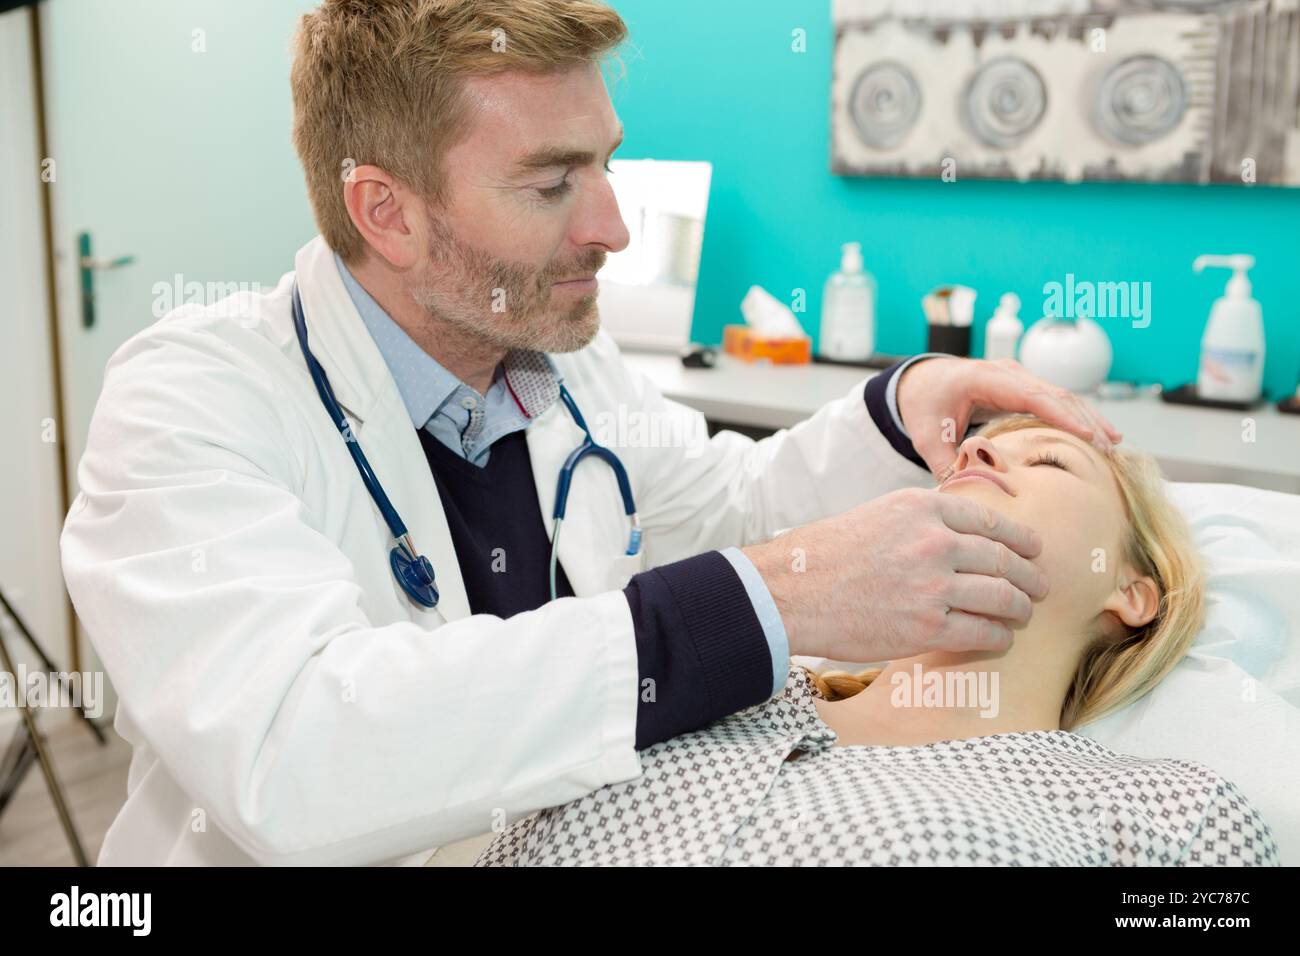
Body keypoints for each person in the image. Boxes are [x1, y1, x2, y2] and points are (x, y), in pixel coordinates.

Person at [59, 0, 1120, 866]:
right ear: (386, 212)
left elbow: (720, 508)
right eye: (551, 181)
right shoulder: (193, 400)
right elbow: (298, 751)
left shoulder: (555, 356)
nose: (612, 225)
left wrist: (899, 402)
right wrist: (777, 596)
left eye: (607, 162)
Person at [476, 419, 1280, 866]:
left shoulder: (1166, 817)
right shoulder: (709, 687)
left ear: (1131, 593)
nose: (978, 450)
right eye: (977, 445)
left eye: (1051, 462)